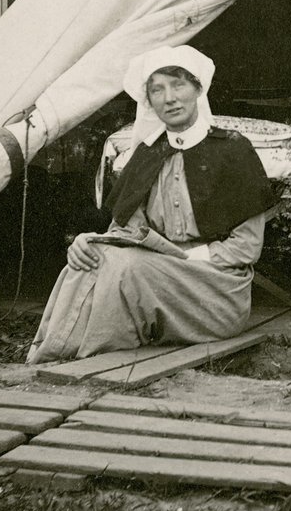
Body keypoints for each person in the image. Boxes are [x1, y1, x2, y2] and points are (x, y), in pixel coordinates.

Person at [27, 45, 275, 364]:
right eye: (157, 89)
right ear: (149, 102)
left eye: (179, 84)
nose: (169, 97)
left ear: (199, 89)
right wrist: (87, 241)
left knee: (125, 267)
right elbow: (124, 234)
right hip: (154, 283)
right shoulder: (147, 156)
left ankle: (60, 355)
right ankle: (60, 353)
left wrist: (182, 257)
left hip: (217, 293)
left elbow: (246, 248)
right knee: (89, 258)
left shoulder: (232, 150)